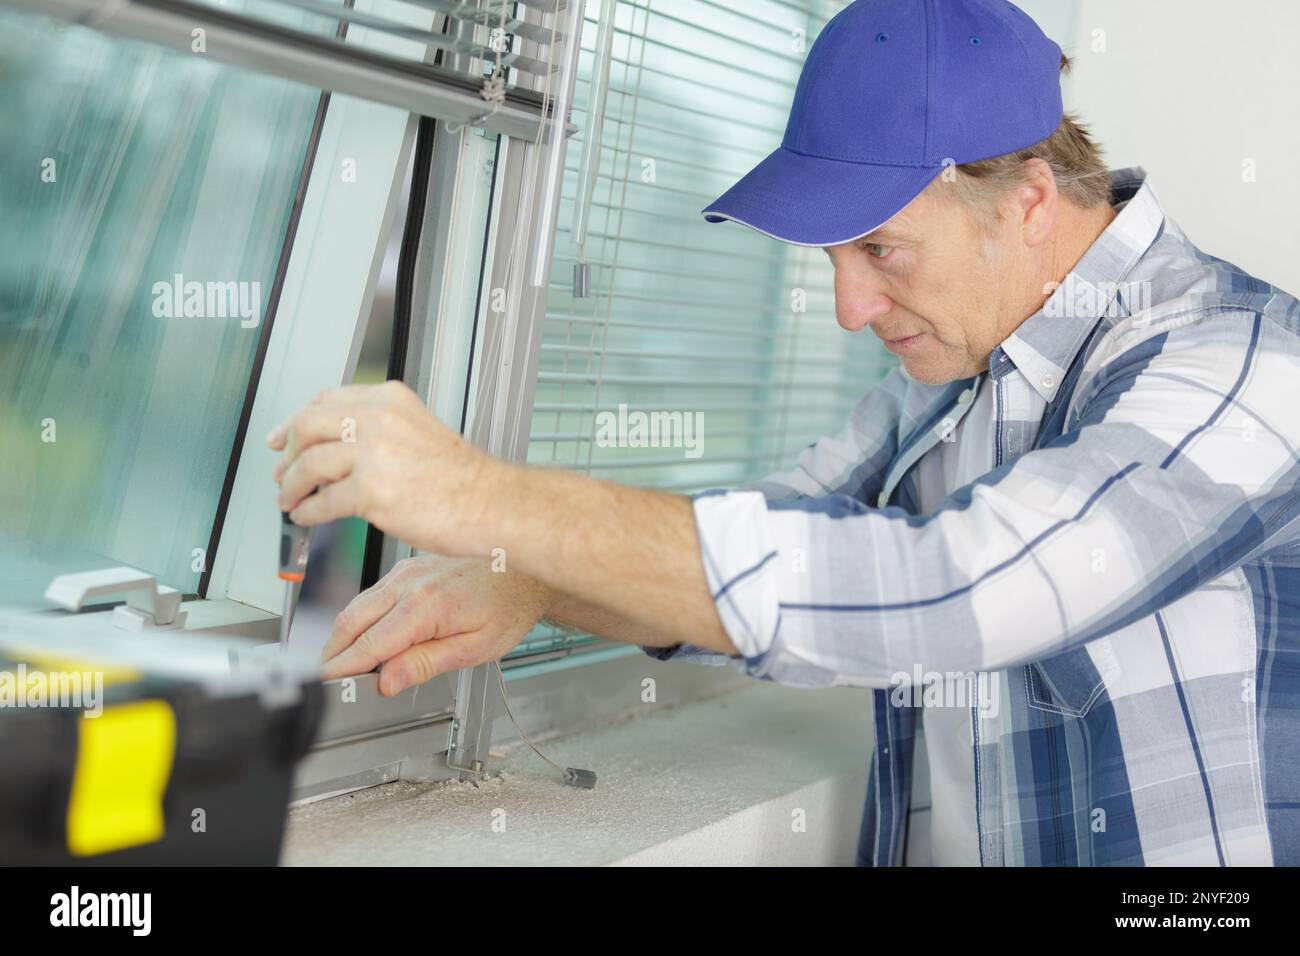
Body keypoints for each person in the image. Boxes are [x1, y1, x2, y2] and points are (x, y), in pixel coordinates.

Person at [268, 0, 1300, 866]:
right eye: (832, 258)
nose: (851, 307)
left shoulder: (1243, 364)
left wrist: (484, 495)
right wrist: (530, 575)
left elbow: (954, 590)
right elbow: (780, 529)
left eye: (880, 249)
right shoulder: (956, 370)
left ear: (1029, 200)